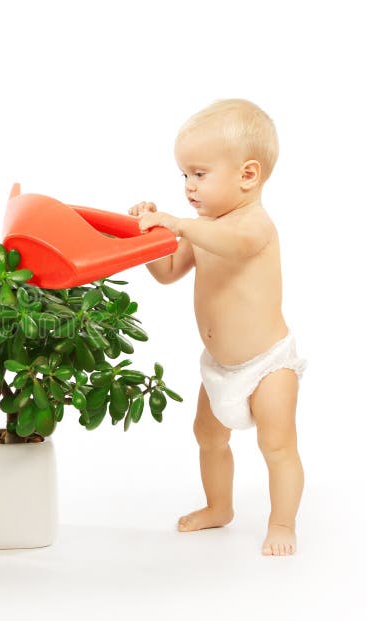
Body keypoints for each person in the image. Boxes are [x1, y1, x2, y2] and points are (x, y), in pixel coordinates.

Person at [129, 99, 306, 556]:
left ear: (248, 175)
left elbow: (235, 245)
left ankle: (282, 523)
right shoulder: (204, 227)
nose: (189, 186)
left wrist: (179, 224)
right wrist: (146, 236)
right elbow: (168, 272)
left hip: (268, 366)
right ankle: (219, 506)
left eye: (199, 174)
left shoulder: (254, 225)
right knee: (208, 436)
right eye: (184, 175)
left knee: (278, 446)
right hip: (220, 367)